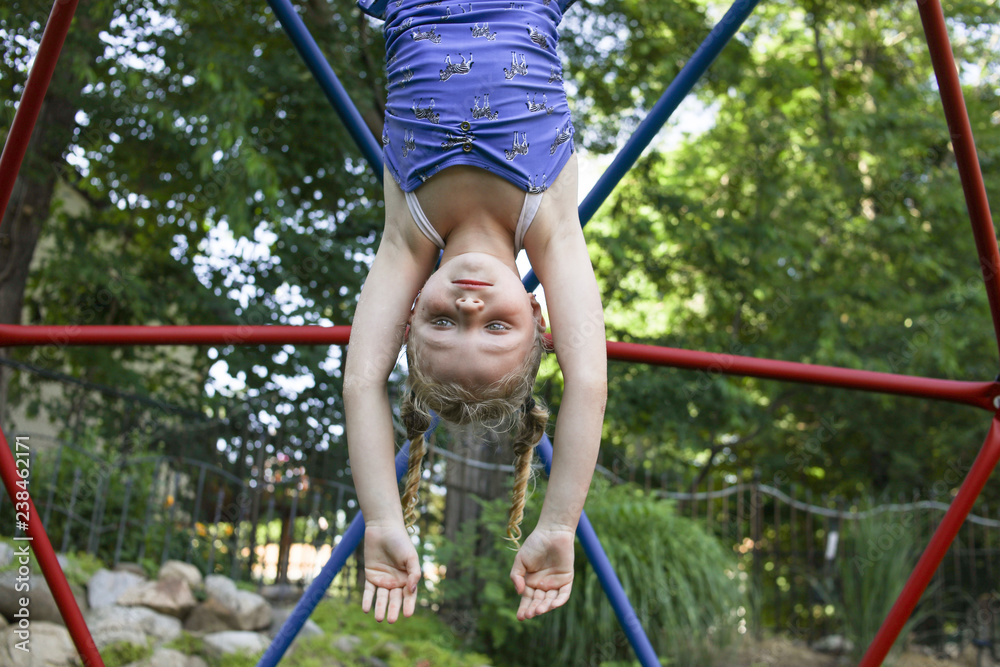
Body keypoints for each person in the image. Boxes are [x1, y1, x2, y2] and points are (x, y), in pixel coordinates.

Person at [343, 0, 606, 626]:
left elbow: (360, 383)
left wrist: (381, 520)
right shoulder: (551, 232)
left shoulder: (407, 238)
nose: (468, 305)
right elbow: (589, 385)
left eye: (442, 324)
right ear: (541, 319)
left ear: (406, 318)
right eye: (495, 327)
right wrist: (559, 524)